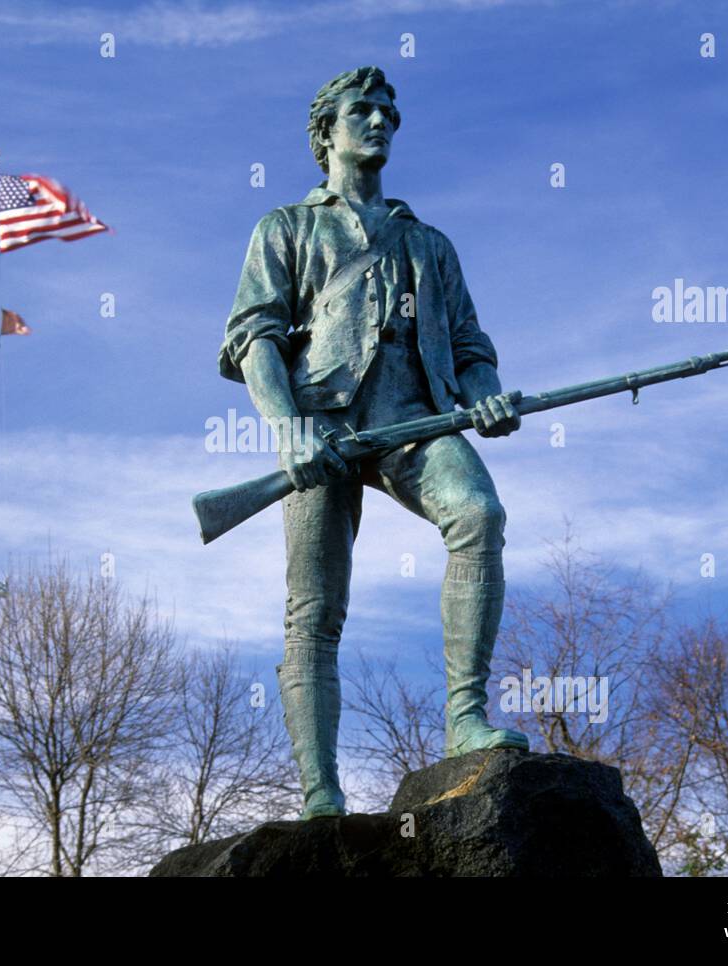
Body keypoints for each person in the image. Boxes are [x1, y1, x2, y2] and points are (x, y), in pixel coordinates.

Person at [218, 66, 528, 820]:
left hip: (415, 417)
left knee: (479, 516)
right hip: (322, 427)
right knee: (315, 608)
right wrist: (288, 426)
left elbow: (467, 342)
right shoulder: (285, 228)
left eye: (390, 111)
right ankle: (321, 788)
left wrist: (483, 388)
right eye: (362, 110)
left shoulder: (428, 241)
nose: (380, 121)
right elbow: (252, 337)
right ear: (326, 131)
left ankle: (464, 717)